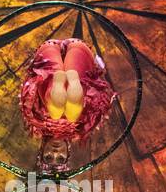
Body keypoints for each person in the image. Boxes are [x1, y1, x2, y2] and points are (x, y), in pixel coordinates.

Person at [19, 37, 116, 175]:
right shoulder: (81, 130)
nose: (55, 152)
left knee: (51, 107)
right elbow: (96, 104)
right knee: (73, 116)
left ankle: (56, 99)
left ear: (41, 150)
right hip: (79, 57)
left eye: (48, 157)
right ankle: (70, 99)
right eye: (60, 159)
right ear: (68, 154)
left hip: (48, 61)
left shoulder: (36, 124)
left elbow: (30, 93)